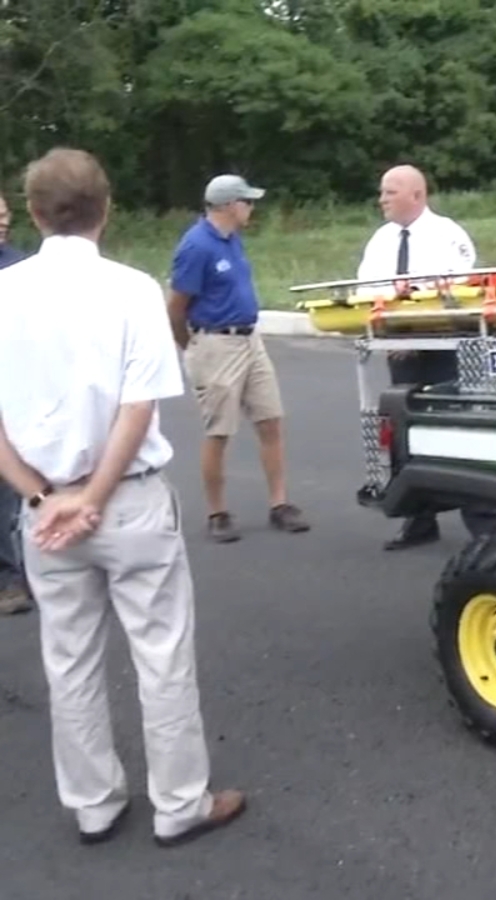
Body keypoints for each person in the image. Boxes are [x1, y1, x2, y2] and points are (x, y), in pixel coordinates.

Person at [0, 146, 247, 847]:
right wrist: (96, 495)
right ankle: (178, 803)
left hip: (44, 508)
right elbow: (138, 407)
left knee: (69, 657)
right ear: (104, 210)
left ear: (37, 213)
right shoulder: (132, 288)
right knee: (160, 651)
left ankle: (94, 802)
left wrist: (48, 496)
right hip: (128, 498)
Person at [356, 164, 496, 550]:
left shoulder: (447, 236)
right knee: (405, 435)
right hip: (400, 352)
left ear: (416, 196)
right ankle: (419, 520)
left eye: (390, 192)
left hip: (446, 353)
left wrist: (419, 334)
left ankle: (484, 528)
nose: (382, 198)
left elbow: (458, 294)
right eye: (382, 191)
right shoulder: (381, 241)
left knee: (461, 434)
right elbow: (369, 291)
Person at [166, 174, 311, 543]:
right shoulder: (196, 246)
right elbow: (176, 307)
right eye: (247, 201)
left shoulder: (232, 241)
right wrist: (192, 347)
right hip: (216, 343)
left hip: (250, 339)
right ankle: (217, 512)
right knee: (219, 431)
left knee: (270, 420)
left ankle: (279, 504)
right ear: (229, 205)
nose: (251, 207)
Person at [0, 191, 33, 615]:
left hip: (13, 392)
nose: (2, 222)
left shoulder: (21, 266)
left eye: (5, 215)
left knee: (11, 491)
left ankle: (12, 578)